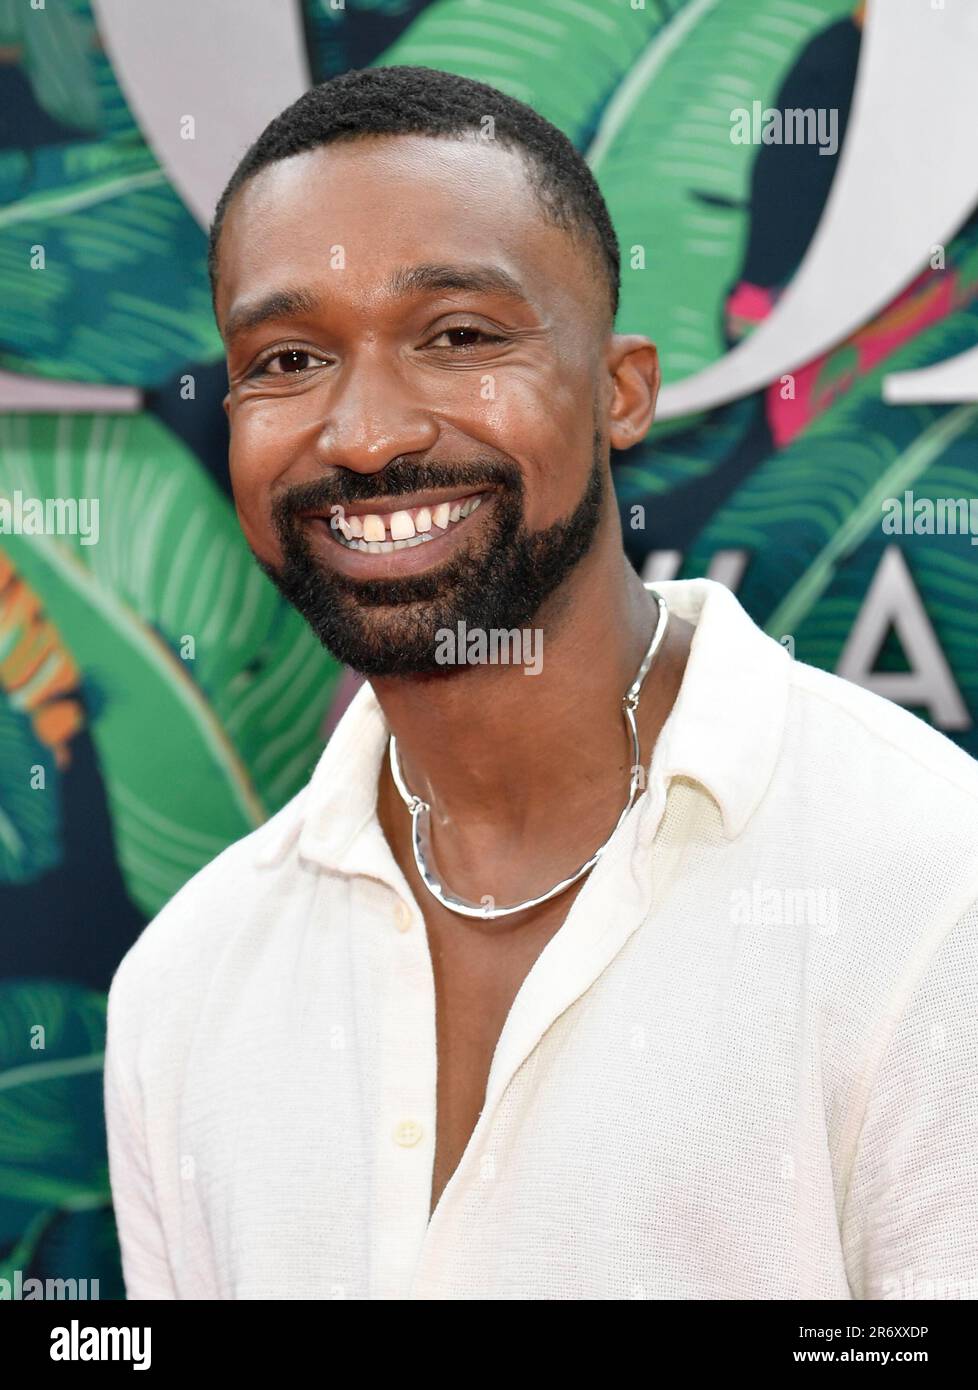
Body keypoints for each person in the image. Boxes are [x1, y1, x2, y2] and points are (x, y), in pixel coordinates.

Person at [104, 65, 978, 1300]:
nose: (366, 433)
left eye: (458, 336)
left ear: (622, 392)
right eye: (289, 357)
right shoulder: (187, 984)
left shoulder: (932, 890)